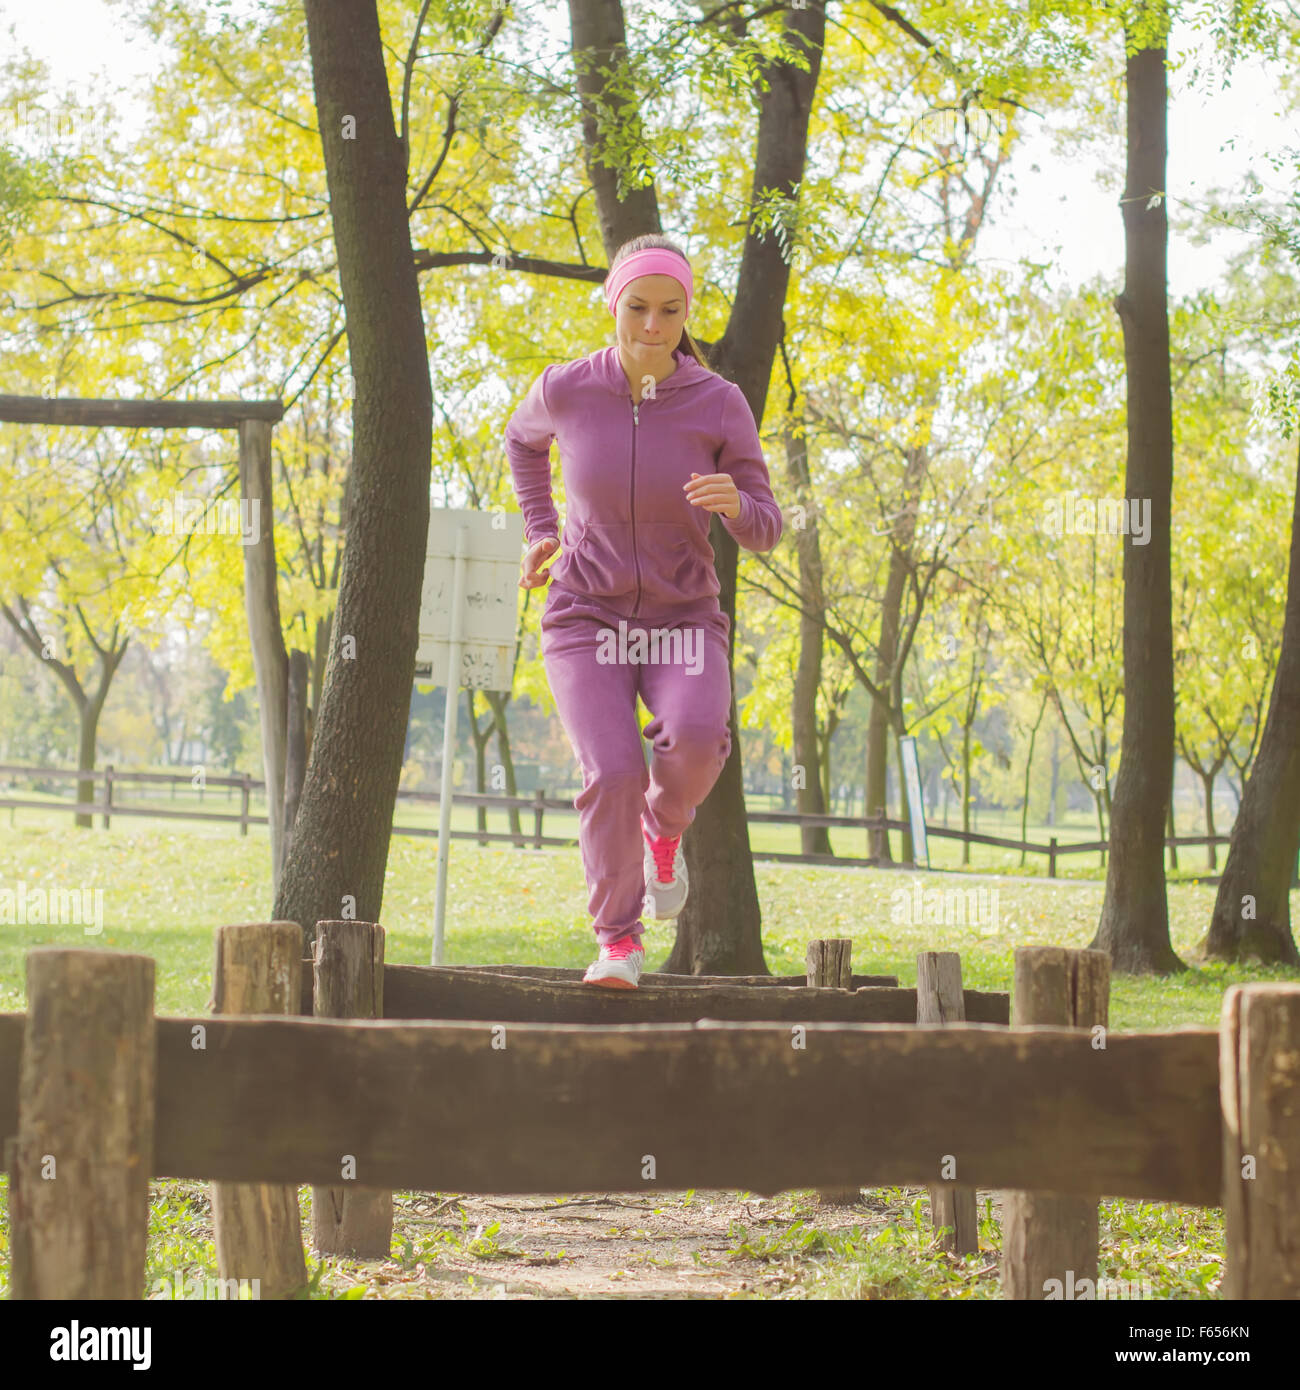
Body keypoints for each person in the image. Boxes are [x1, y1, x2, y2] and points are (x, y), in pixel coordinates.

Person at [505, 234, 782, 989]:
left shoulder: (719, 403)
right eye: (638, 308)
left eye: (670, 311)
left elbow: (767, 524)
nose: (653, 328)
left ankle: (663, 831)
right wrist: (540, 531)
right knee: (613, 768)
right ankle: (618, 942)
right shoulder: (567, 389)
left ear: (687, 313)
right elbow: (521, 442)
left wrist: (739, 506)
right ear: (613, 305)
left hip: (682, 618)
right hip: (584, 614)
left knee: (696, 740)